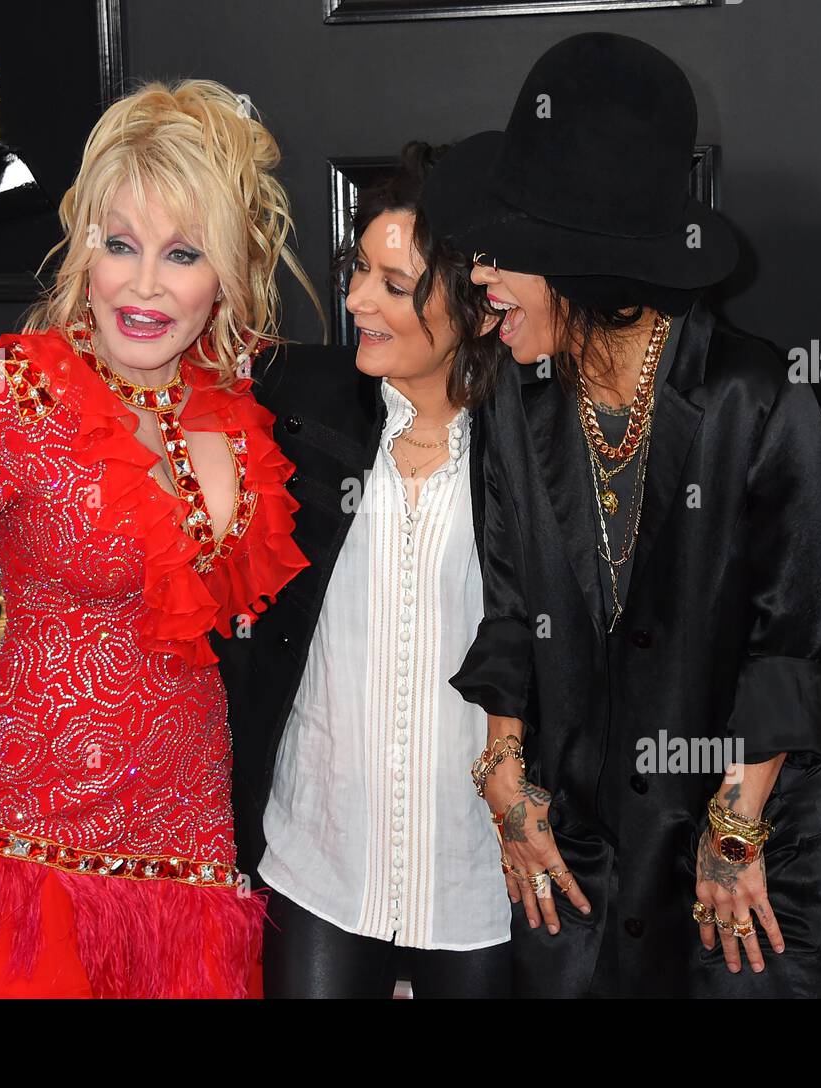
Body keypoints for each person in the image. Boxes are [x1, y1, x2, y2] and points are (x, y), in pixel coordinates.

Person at [0, 79, 318, 998]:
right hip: (20, 839)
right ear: (84, 251)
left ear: (227, 269)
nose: (143, 286)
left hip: (185, 845)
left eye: (182, 253)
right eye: (118, 245)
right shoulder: (23, 394)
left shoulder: (236, 408)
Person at [422, 32, 821, 997]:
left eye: (506, 259)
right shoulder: (513, 398)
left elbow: (794, 649)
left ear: (584, 265)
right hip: (581, 861)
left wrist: (734, 833)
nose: (481, 283)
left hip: (745, 863)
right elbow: (509, 614)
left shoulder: (760, 400)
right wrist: (503, 772)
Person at [214, 143, 512, 998]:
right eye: (357, 273)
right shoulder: (297, 403)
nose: (354, 302)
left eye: (393, 282)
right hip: (320, 855)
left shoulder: (533, 451)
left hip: (477, 870)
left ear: (479, 305)